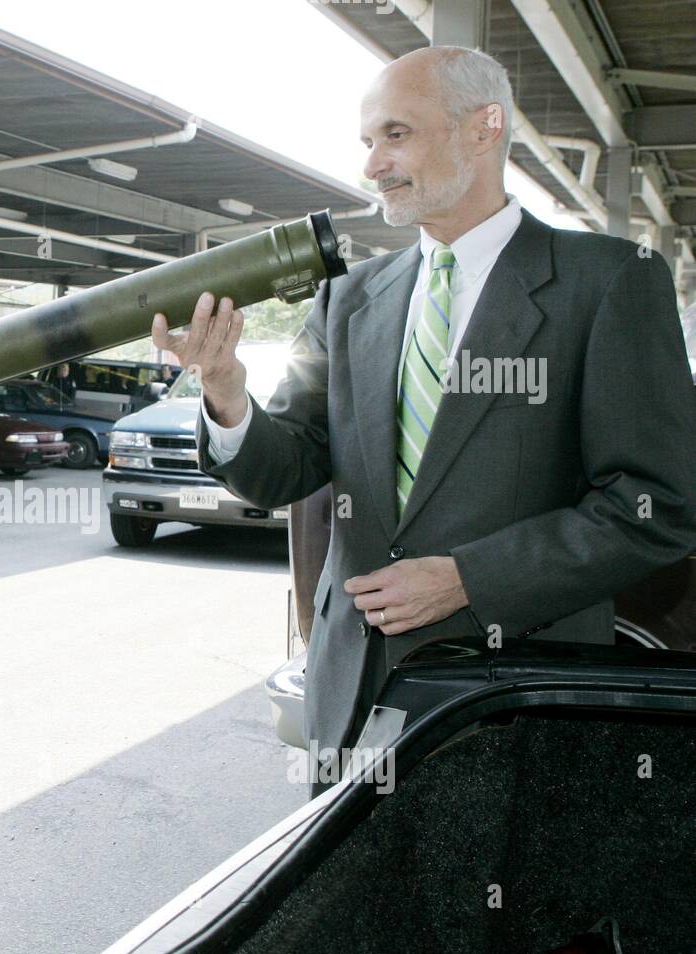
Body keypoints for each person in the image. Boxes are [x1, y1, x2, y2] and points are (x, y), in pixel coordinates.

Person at [153, 46, 696, 796]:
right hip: (351, 696)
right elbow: (287, 467)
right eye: (366, 142)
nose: (372, 165)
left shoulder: (607, 282)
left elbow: (657, 506)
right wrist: (226, 393)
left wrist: (469, 579)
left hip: (515, 701)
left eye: (396, 134)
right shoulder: (348, 298)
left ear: (484, 127)